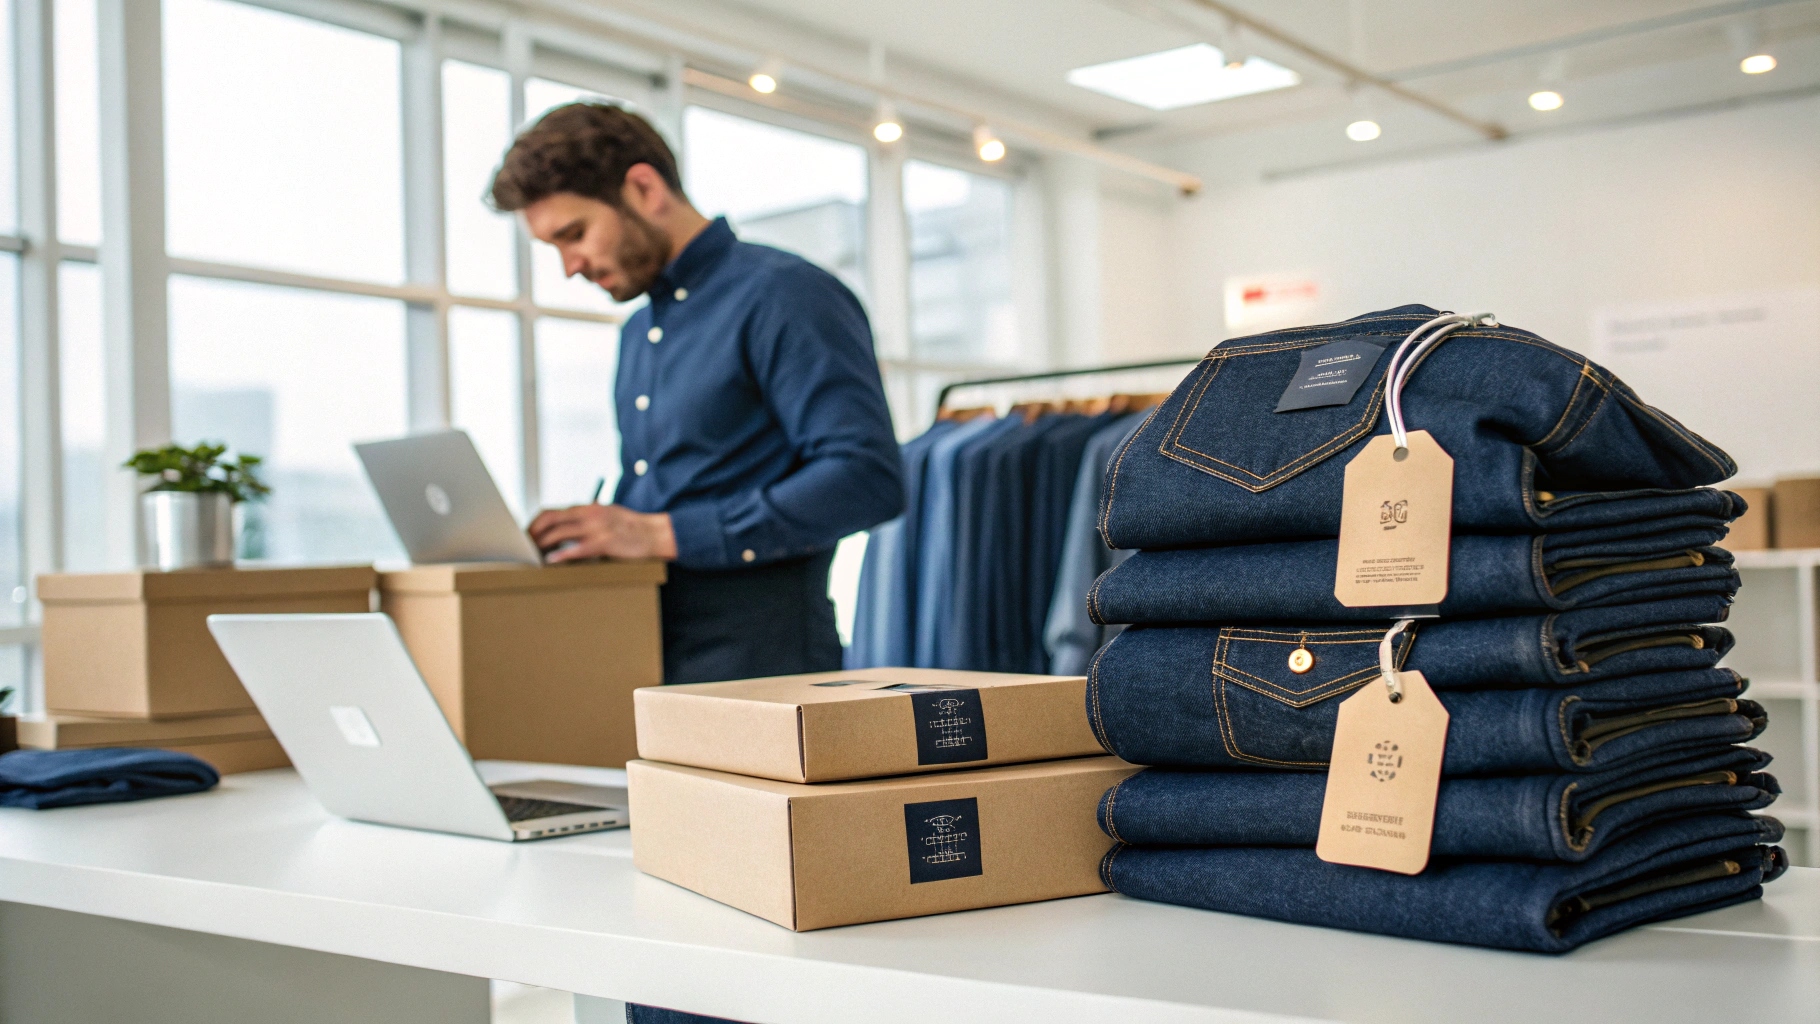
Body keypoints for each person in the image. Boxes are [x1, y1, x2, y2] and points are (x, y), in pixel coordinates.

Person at [489, 103, 903, 685]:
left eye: (574, 234)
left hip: (767, 671)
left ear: (643, 187)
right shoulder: (638, 333)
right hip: (650, 654)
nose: (569, 267)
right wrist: (595, 534)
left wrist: (661, 533)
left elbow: (868, 480)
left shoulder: (786, 296)